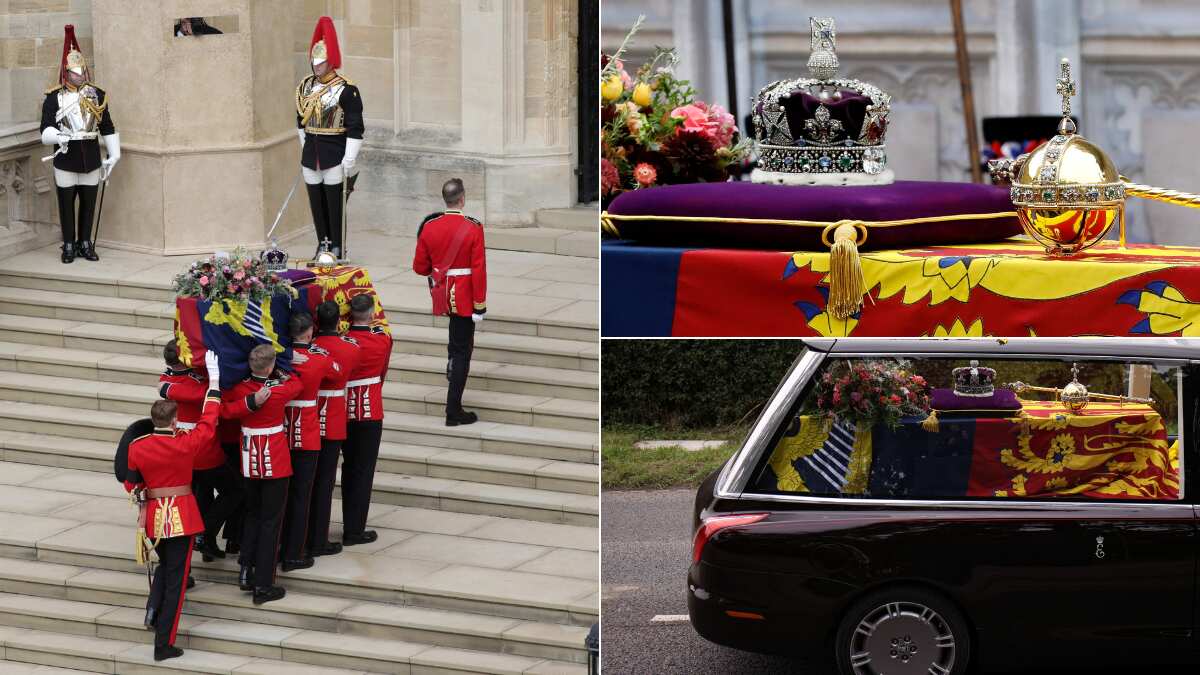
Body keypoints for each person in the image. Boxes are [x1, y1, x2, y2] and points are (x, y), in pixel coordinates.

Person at [125, 351, 221, 661]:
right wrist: (215, 383)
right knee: (176, 584)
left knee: (167, 568)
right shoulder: (184, 443)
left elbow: (131, 484)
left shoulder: (137, 447)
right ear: (175, 420)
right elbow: (208, 422)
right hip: (181, 516)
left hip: (154, 517)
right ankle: (163, 643)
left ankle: (153, 614)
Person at [221, 344, 302, 604]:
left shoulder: (241, 389)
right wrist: (281, 371)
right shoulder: (278, 390)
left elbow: (225, 409)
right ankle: (264, 585)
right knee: (270, 523)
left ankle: (246, 570)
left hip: (249, 459)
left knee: (253, 515)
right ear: (270, 367)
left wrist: (249, 403)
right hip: (274, 460)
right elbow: (297, 384)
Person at [158, 340, 243, 563]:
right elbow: (209, 394)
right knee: (234, 490)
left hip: (182, 447)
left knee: (203, 493)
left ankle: (207, 543)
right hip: (202, 447)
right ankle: (204, 534)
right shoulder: (196, 383)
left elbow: (167, 387)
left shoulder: (167, 379)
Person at [40, 24, 119, 264]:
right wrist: (57, 136)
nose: (81, 75)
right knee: (66, 205)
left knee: (88, 204)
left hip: (91, 158)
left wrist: (114, 153)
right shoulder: (53, 97)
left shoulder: (97, 94)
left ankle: (85, 242)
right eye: (75, 72)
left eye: (82, 71)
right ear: (66, 73)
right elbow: (45, 129)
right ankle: (69, 244)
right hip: (66, 158)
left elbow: (107, 126)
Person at [413, 178, 487, 426]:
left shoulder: (430, 226)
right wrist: (480, 304)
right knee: (462, 351)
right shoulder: (473, 227)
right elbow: (479, 269)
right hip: (464, 295)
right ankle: (453, 410)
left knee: (456, 342)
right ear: (462, 199)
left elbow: (420, 267)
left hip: (442, 292)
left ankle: (452, 366)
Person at [296, 15, 363, 259]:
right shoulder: (305, 87)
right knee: (316, 203)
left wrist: (349, 158)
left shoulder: (347, 89)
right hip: (311, 154)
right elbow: (300, 122)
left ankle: (337, 245)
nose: (316, 66)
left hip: (334, 153)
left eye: (321, 62)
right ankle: (322, 243)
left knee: (335, 204)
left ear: (331, 62)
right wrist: (305, 149)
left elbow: (356, 127)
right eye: (314, 62)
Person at [280, 313, 338, 570]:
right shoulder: (318, 358)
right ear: (309, 332)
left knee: (281, 496)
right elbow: (336, 374)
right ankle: (295, 552)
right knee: (302, 495)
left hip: (281, 431)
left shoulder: (280, 360)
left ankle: (281, 546)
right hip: (306, 432)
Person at [342, 294, 393, 544]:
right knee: (363, 471)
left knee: (348, 467)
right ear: (371, 313)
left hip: (341, 410)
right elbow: (382, 372)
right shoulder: (382, 340)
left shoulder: (343, 341)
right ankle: (354, 529)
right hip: (369, 409)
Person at [310, 301, 360, 551]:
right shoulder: (350, 348)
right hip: (332, 417)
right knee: (325, 481)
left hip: (308, 416)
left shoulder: (310, 347)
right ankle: (319, 537)